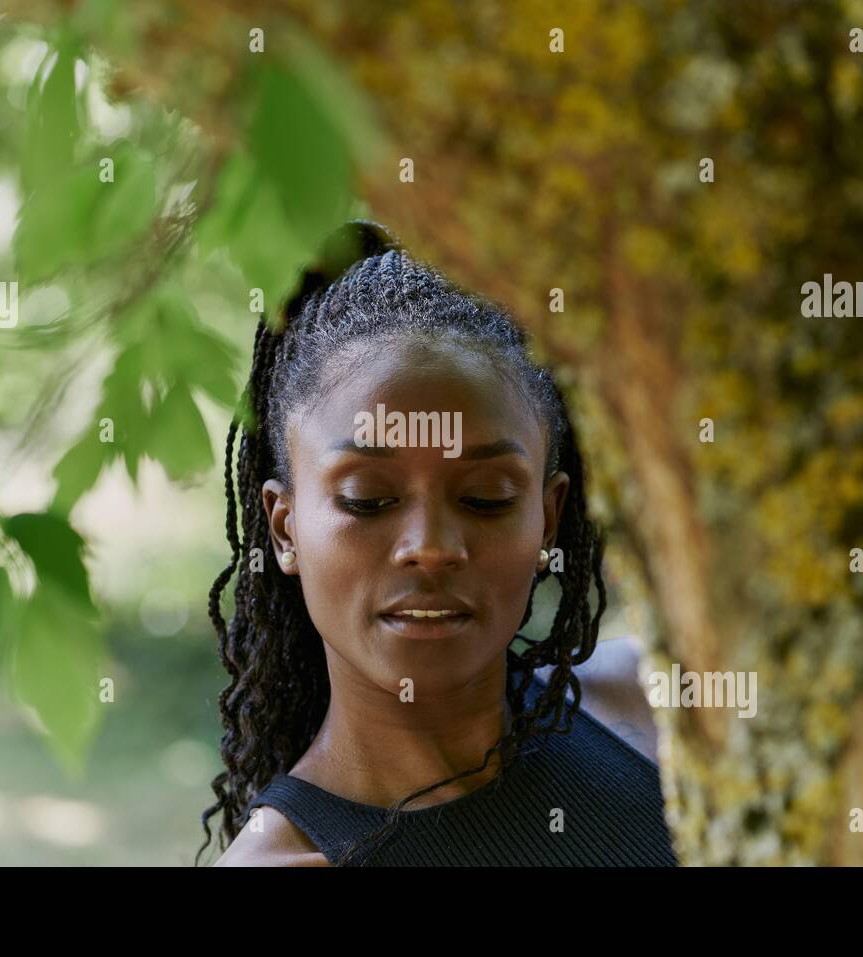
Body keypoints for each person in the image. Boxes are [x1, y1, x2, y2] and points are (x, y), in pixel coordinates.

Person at [198, 220, 677, 866]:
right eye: (368, 499)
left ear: (549, 515)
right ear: (284, 528)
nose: (429, 546)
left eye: (486, 498)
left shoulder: (657, 714)